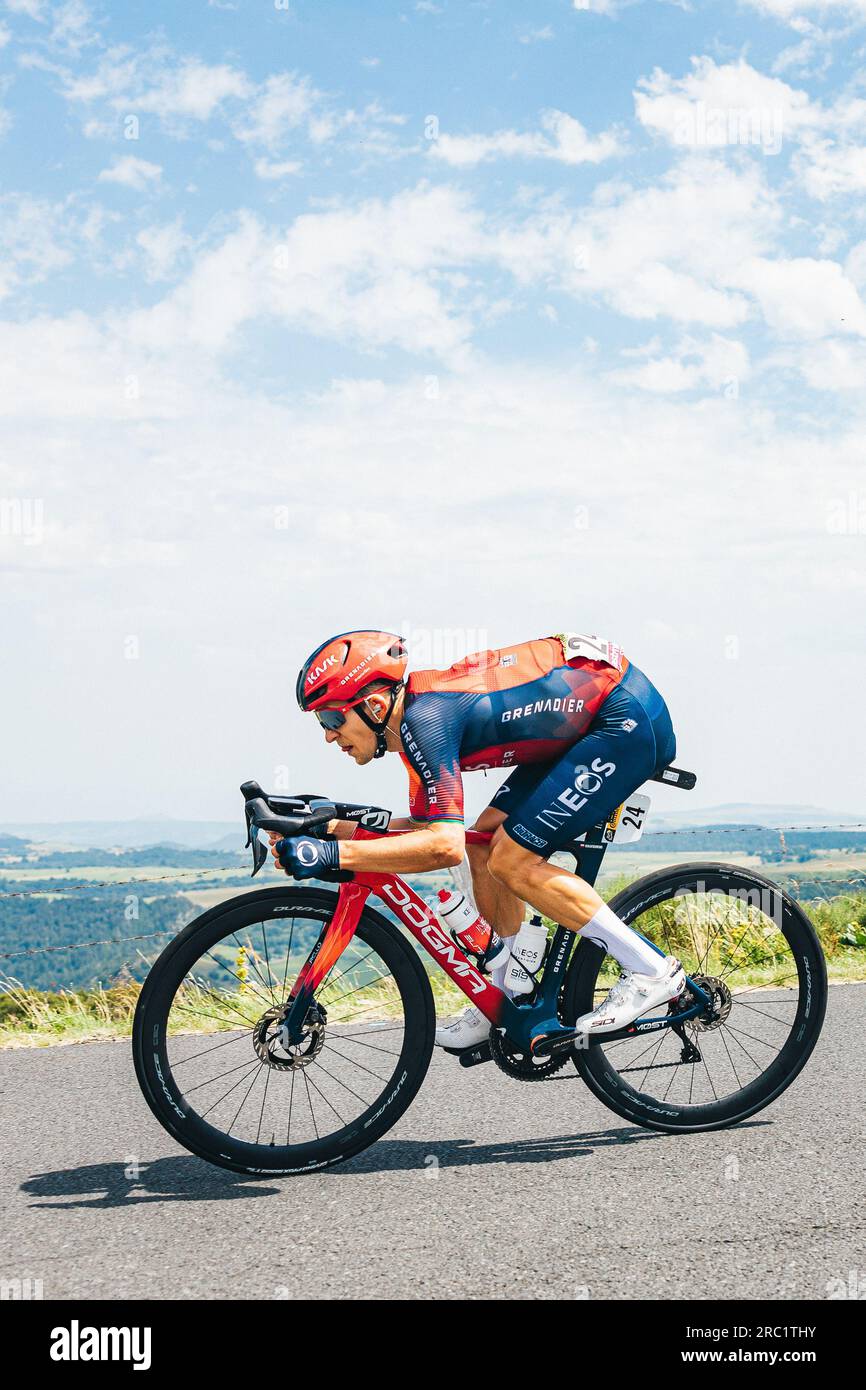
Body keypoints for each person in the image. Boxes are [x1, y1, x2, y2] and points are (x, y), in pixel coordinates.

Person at [276, 628, 684, 1051]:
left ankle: (651, 969)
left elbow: (440, 848)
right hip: (582, 724)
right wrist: (328, 826)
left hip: (623, 721)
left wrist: (332, 853)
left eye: (331, 718)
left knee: (511, 859)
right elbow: (431, 833)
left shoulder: (427, 721)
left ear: (375, 705)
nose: (327, 735)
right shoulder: (414, 732)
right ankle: (511, 990)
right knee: (482, 842)